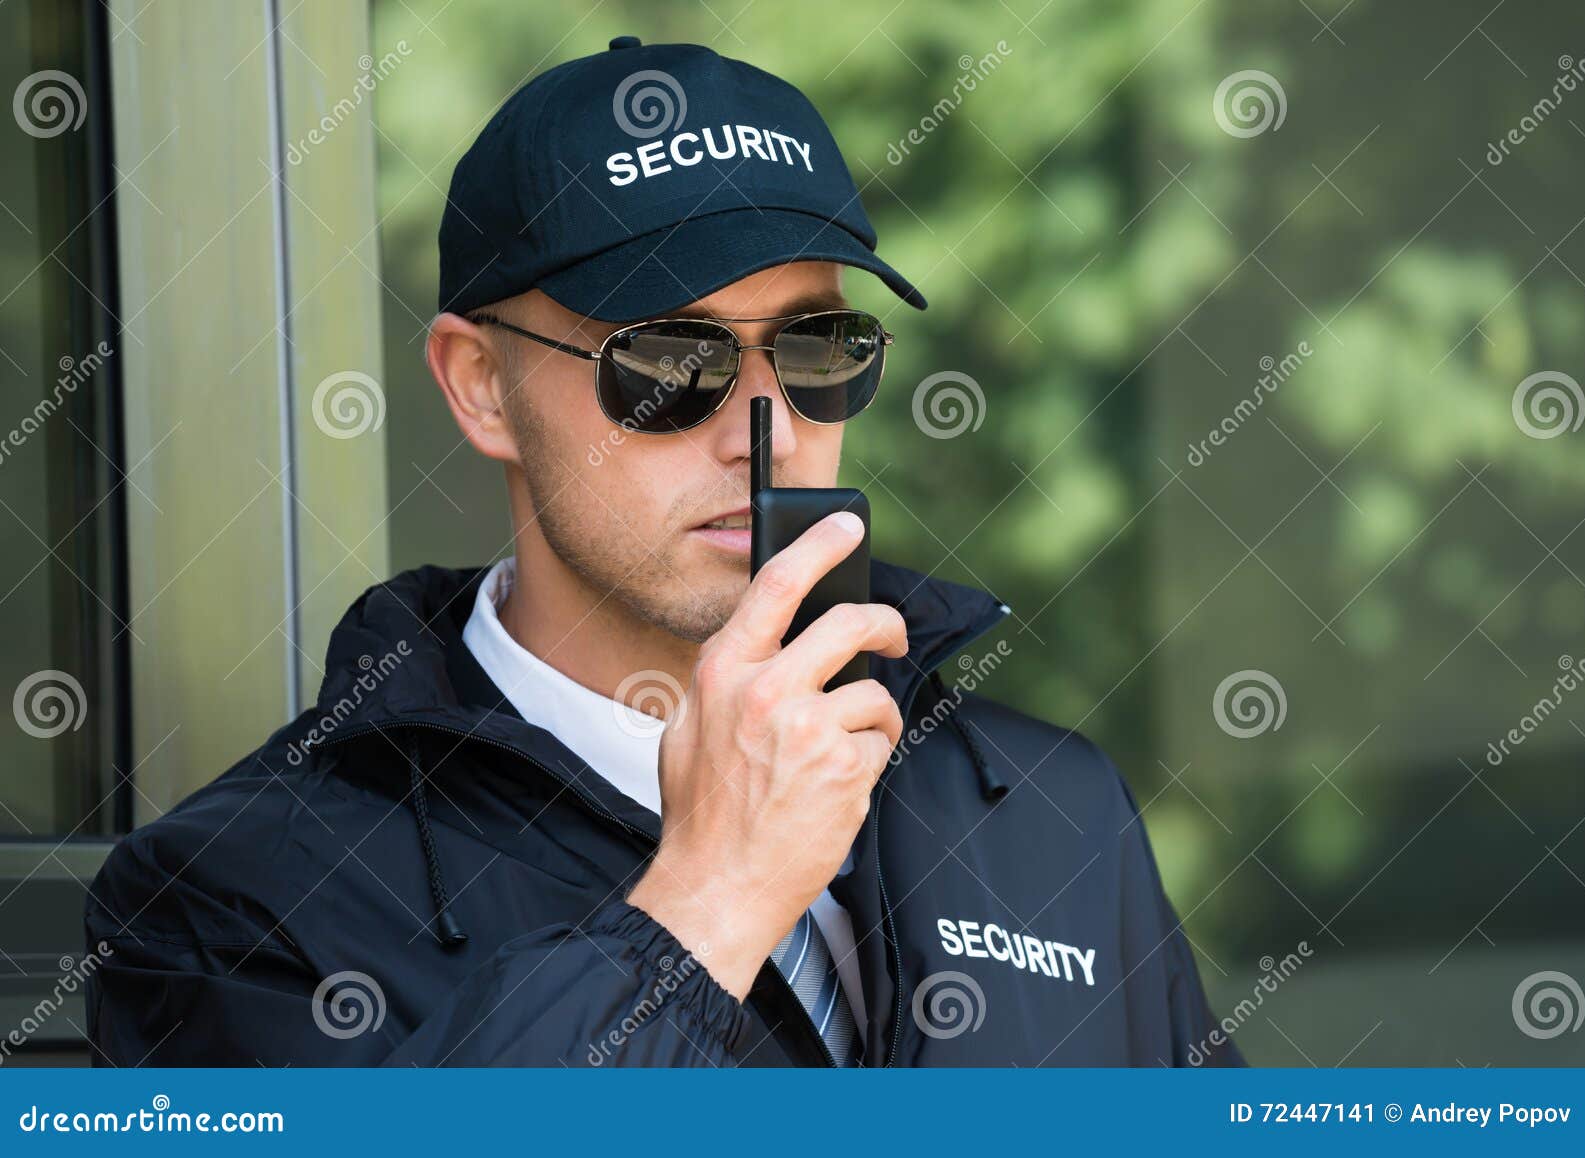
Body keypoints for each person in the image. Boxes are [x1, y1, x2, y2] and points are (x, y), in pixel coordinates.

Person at [85, 34, 1242, 1067]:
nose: (770, 430)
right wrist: (712, 895)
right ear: (482, 388)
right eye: (670, 363)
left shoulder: (1044, 806)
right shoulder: (235, 902)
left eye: (818, 347)